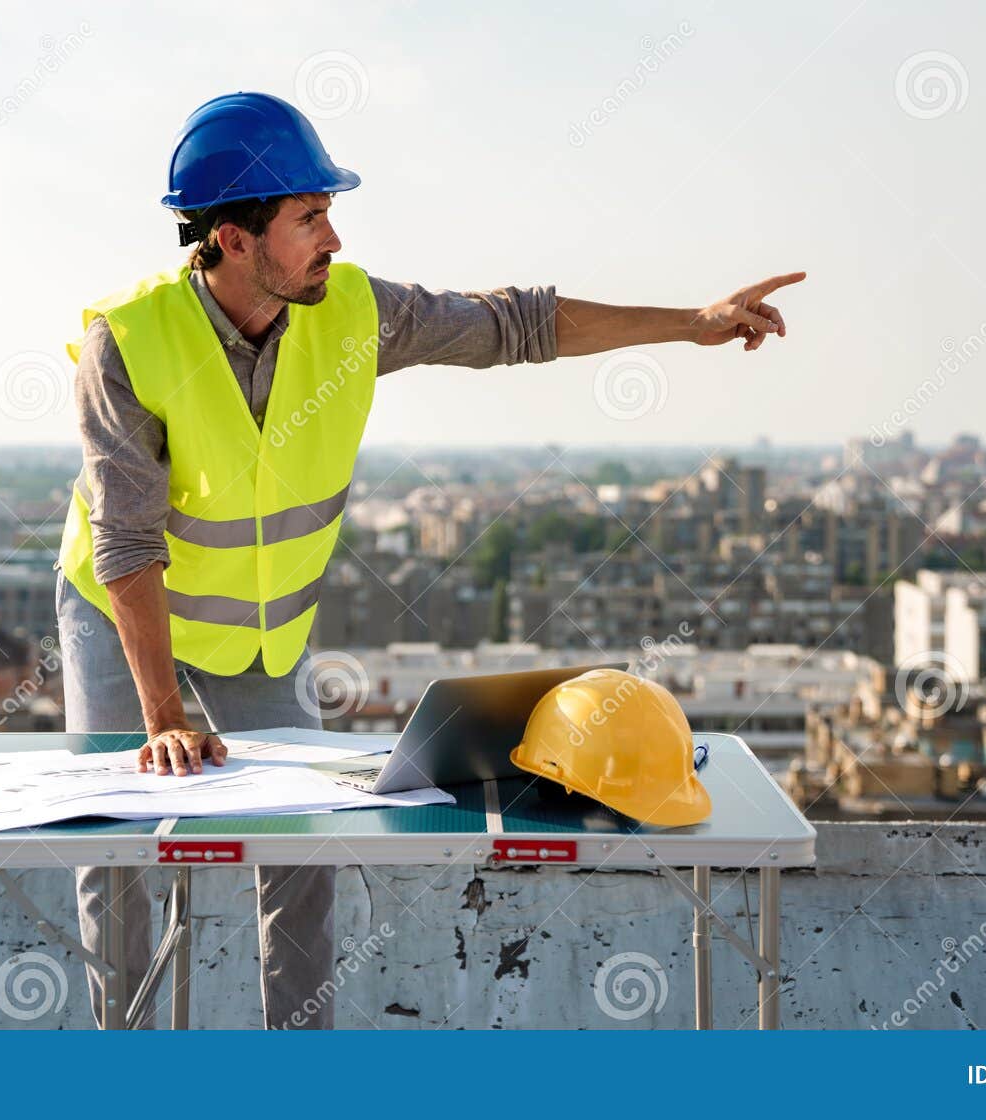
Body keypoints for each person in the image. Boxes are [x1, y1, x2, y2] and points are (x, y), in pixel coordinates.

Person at [56, 90, 804, 1029]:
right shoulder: (126, 340)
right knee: (118, 832)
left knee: (299, 846)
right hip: (126, 611)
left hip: (256, 626)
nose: (334, 236)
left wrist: (691, 322)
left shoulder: (352, 312)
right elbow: (127, 543)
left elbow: (513, 325)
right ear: (234, 240)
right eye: (311, 216)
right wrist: (163, 719)